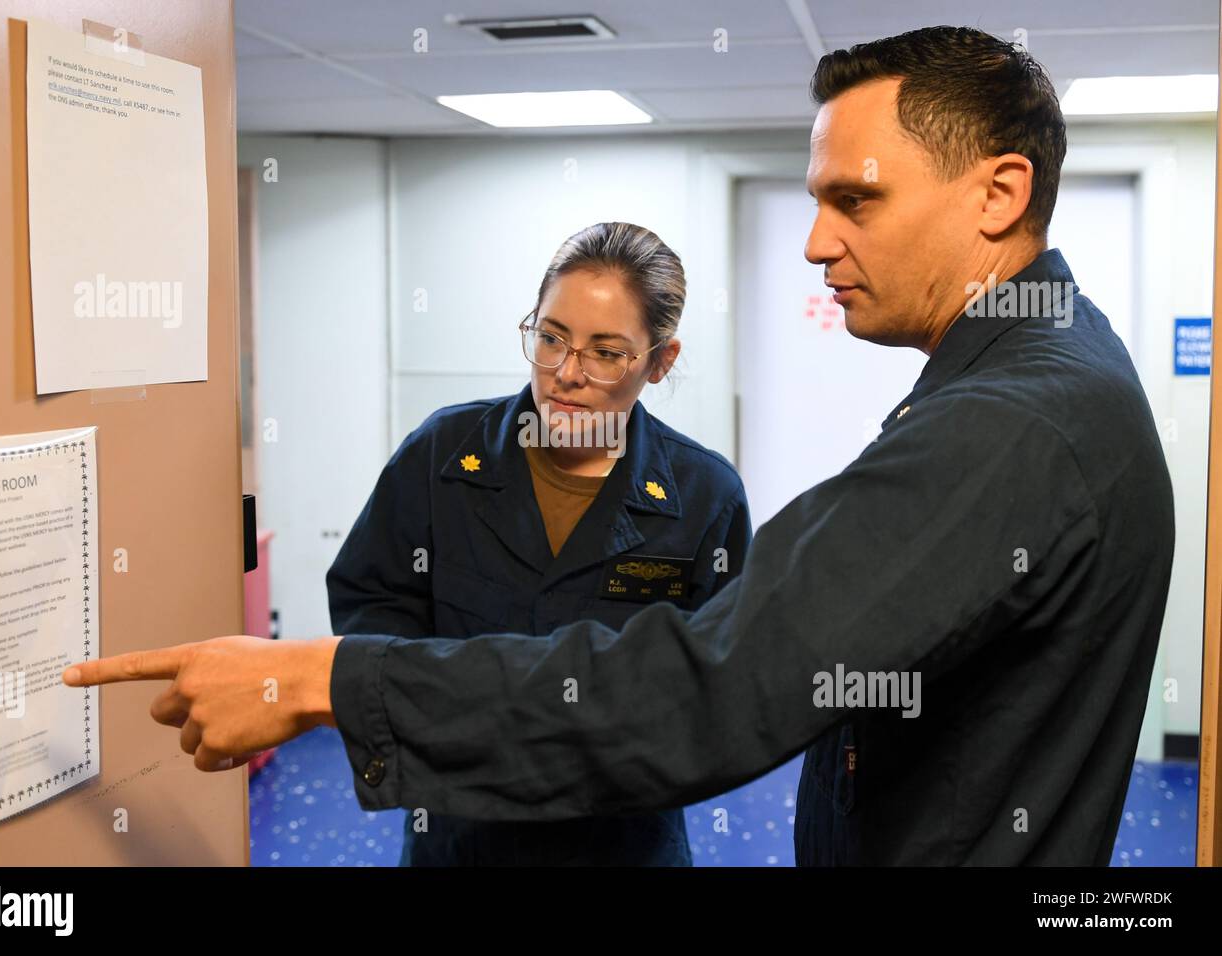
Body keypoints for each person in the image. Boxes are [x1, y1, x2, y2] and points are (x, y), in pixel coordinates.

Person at [63, 26, 1176, 866]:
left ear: (999, 192)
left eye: (855, 199)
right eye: (551, 339)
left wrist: (322, 678)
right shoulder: (1041, 367)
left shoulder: (1009, 421)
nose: (815, 241)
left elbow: (716, 678)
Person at [323, 221, 752, 865]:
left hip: (620, 839)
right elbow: (371, 600)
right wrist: (441, 719)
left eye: (606, 351)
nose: (564, 374)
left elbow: (719, 679)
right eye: (551, 338)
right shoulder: (443, 454)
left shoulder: (704, 494)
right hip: (462, 830)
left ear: (659, 362)